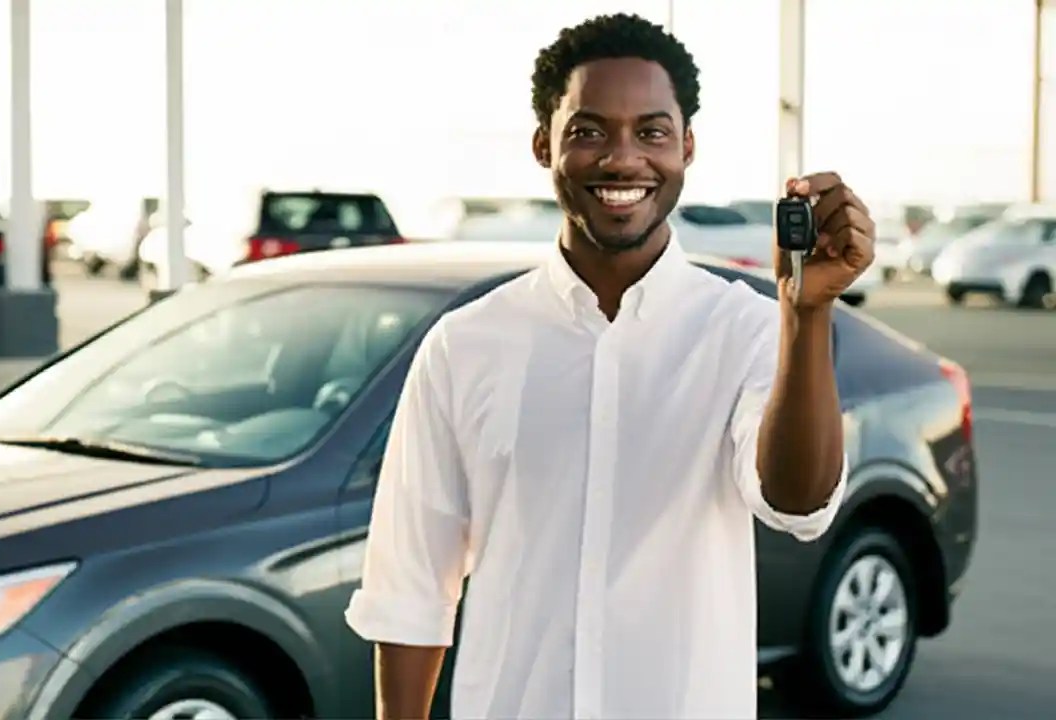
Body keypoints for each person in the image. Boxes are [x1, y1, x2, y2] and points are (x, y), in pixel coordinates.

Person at [343, 12, 875, 720]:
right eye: (589, 130)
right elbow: (410, 591)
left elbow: (798, 504)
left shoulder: (747, 329)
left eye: (652, 132)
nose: (622, 159)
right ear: (545, 145)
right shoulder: (463, 345)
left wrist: (805, 316)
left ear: (686, 146)